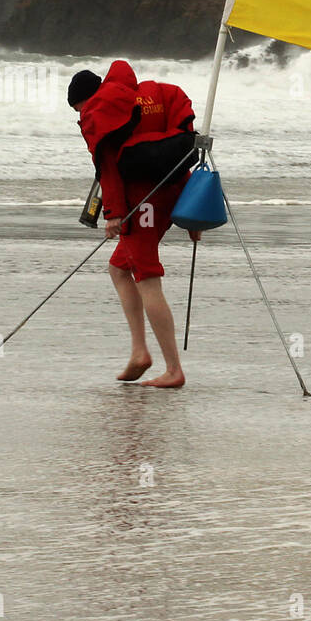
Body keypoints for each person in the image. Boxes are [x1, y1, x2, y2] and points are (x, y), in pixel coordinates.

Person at [68, 60, 200, 388]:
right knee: (118, 268)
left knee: (147, 278)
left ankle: (173, 370)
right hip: (170, 195)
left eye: (77, 109)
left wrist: (112, 213)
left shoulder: (101, 111)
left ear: (87, 98)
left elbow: (110, 168)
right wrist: (189, 216)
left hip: (140, 203)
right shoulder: (156, 96)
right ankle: (139, 352)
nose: (81, 116)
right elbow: (176, 155)